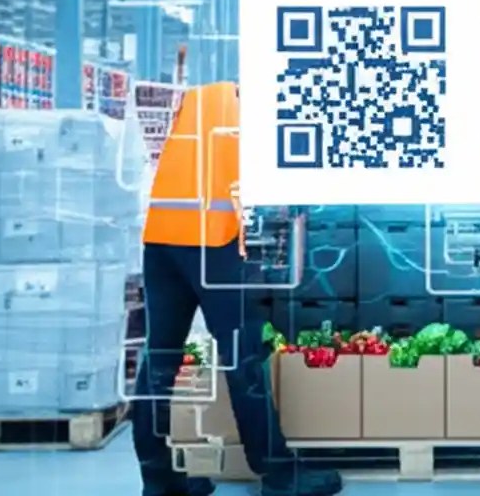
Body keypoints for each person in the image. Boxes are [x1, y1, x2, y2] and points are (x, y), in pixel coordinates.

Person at [132, 80, 343, 496]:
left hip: (160, 238)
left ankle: (157, 478)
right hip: (212, 240)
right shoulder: (256, 103)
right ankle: (279, 475)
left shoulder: (194, 98)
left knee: (159, 360)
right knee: (242, 354)